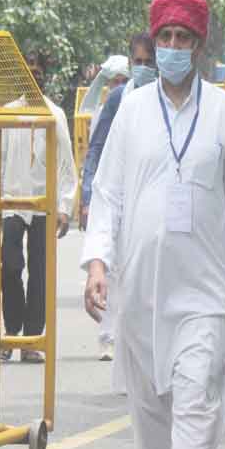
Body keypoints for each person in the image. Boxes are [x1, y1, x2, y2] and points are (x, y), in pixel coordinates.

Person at [82, 0, 225, 449]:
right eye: (166, 39)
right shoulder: (132, 110)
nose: (174, 48)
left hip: (207, 289)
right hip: (143, 289)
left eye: (185, 39)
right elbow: (106, 197)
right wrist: (97, 265)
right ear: (154, 42)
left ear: (201, 47)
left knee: (194, 395)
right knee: (152, 401)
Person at [78, 37, 156, 361]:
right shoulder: (118, 99)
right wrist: (86, 194)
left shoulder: (163, 101)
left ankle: (140, 339)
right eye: (136, 61)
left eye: (147, 61)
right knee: (110, 267)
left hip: (148, 197)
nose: (142, 68)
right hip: (117, 193)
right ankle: (109, 336)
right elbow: (96, 147)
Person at [0, 51, 77, 363]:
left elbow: (66, 164)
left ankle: (33, 340)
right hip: (13, 200)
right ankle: (13, 333)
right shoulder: (7, 113)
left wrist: (64, 206)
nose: (35, 75)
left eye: (39, 71)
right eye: (29, 70)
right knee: (11, 267)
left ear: (46, 75)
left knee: (40, 272)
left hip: (43, 201)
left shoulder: (55, 114)